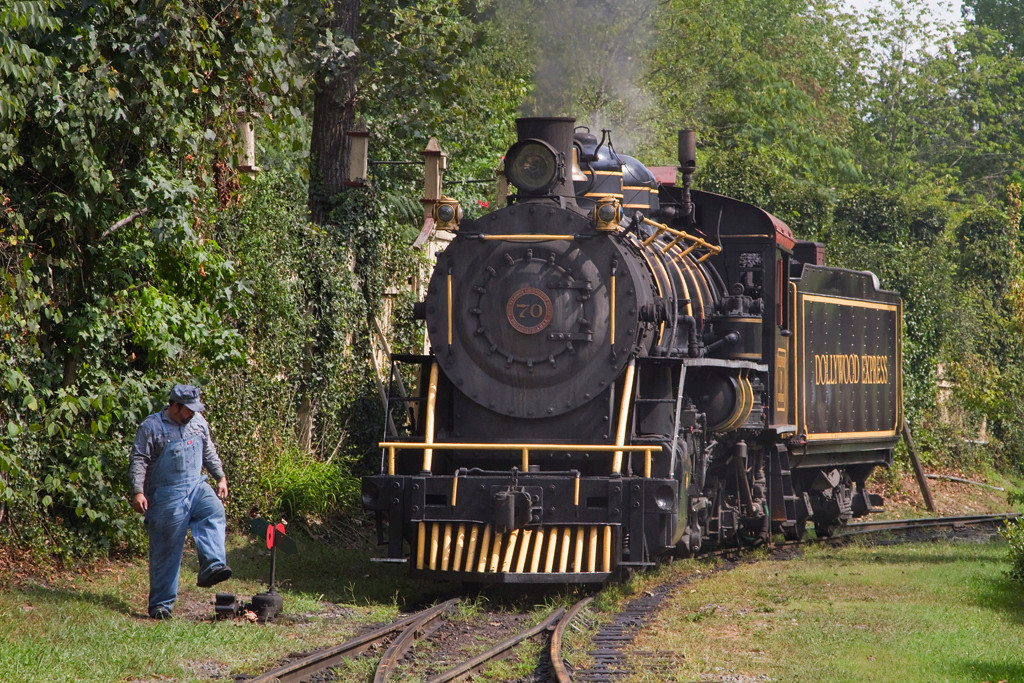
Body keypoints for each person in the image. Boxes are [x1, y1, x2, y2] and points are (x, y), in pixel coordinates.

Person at [129, 383, 232, 619]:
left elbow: (209, 452)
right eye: (188, 409)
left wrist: (220, 477)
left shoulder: (198, 423)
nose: (193, 413)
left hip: (196, 486)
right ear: (175, 405)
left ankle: (212, 566)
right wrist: (138, 491)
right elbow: (138, 459)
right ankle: (161, 606)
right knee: (167, 550)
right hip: (165, 495)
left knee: (214, 511)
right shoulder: (152, 426)